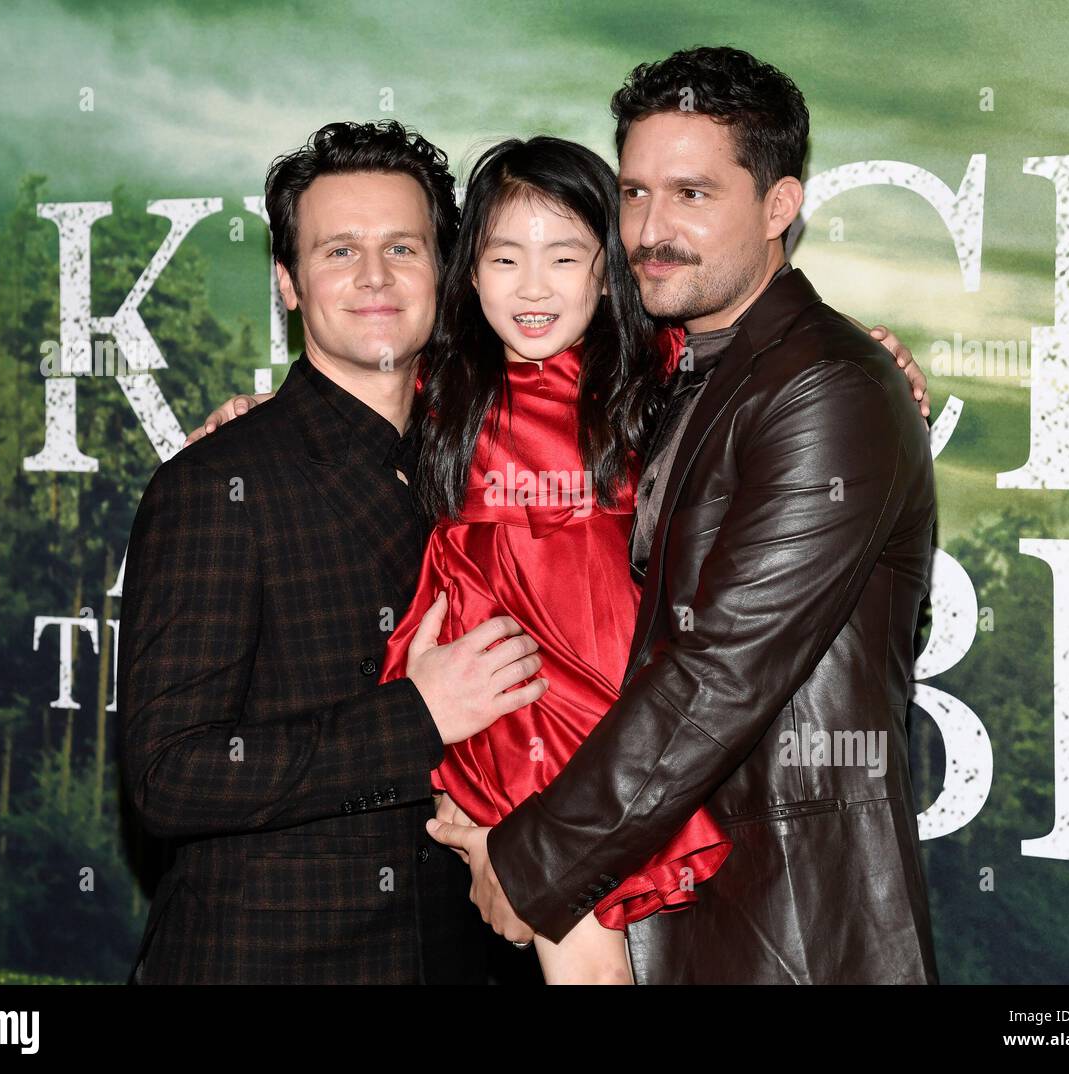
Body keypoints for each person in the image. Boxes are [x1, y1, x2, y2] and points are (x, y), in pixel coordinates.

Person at [428, 46, 942, 985]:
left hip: (783, 922)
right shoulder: (664, 368)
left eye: (693, 195)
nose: (651, 230)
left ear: (780, 207)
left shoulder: (827, 386)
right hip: (663, 897)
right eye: (633, 194)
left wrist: (534, 861)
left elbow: (719, 675)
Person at [117, 120, 546, 984]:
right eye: (338, 250)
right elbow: (170, 776)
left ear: (444, 271)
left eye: (402, 246)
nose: (376, 277)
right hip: (270, 963)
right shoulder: (218, 484)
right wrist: (415, 717)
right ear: (287, 282)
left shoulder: (494, 464)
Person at [376, 135, 734, 985]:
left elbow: (766, 365)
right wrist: (243, 410)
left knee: (601, 958)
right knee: (582, 958)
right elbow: (329, 408)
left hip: (605, 694)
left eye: (564, 257)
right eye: (504, 257)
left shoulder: (650, 371)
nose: (532, 287)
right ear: (469, 272)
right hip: (500, 685)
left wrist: (875, 351)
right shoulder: (441, 386)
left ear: (607, 271)